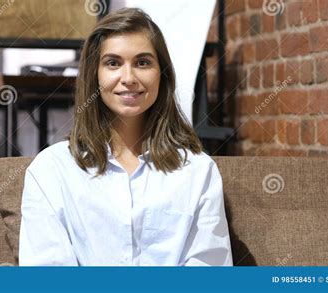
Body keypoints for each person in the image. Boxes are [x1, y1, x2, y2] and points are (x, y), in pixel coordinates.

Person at [19, 7, 233, 266]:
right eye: (113, 63)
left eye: (143, 62)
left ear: (161, 75)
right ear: (94, 75)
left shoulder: (198, 172)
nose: (129, 78)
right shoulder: (50, 171)